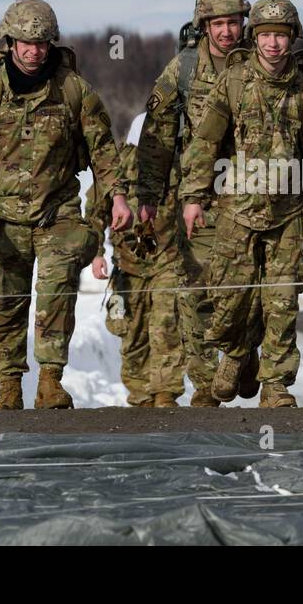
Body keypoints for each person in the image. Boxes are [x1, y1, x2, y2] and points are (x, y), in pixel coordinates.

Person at [0, 0, 129, 411]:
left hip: (58, 212)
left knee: (56, 292)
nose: (33, 51)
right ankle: (9, 389)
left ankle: (50, 382)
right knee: (5, 302)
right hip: (5, 217)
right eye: (25, 43)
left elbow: (103, 150)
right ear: (9, 43)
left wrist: (117, 194)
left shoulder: (73, 91)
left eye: (42, 43)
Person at [180, 0, 303, 407]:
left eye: (281, 35)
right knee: (230, 298)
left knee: (282, 299)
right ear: (254, 37)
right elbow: (205, 142)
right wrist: (193, 198)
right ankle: (236, 354)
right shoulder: (234, 82)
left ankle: (276, 385)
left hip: (287, 212)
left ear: (292, 39)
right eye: (266, 35)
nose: (273, 44)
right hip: (236, 210)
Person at [137, 0, 256, 406]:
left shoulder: (266, 62)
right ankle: (206, 383)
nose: (227, 31)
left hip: (255, 194)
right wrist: (148, 195)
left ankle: (243, 355)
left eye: (234, 21)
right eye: (218, 23)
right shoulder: (183, 70)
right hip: (200, 196)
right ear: (203, 25)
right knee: (196, 289)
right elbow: (157, 137)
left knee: (250, 288)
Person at [90, 114, 187, 407]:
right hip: (127, 265)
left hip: (168, 259)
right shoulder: (117, 168)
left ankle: (164, 392)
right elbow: (95, 210)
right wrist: (96, 253)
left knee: (166, 324)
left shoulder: (180, 165)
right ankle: (140, 396)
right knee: (130, 332)